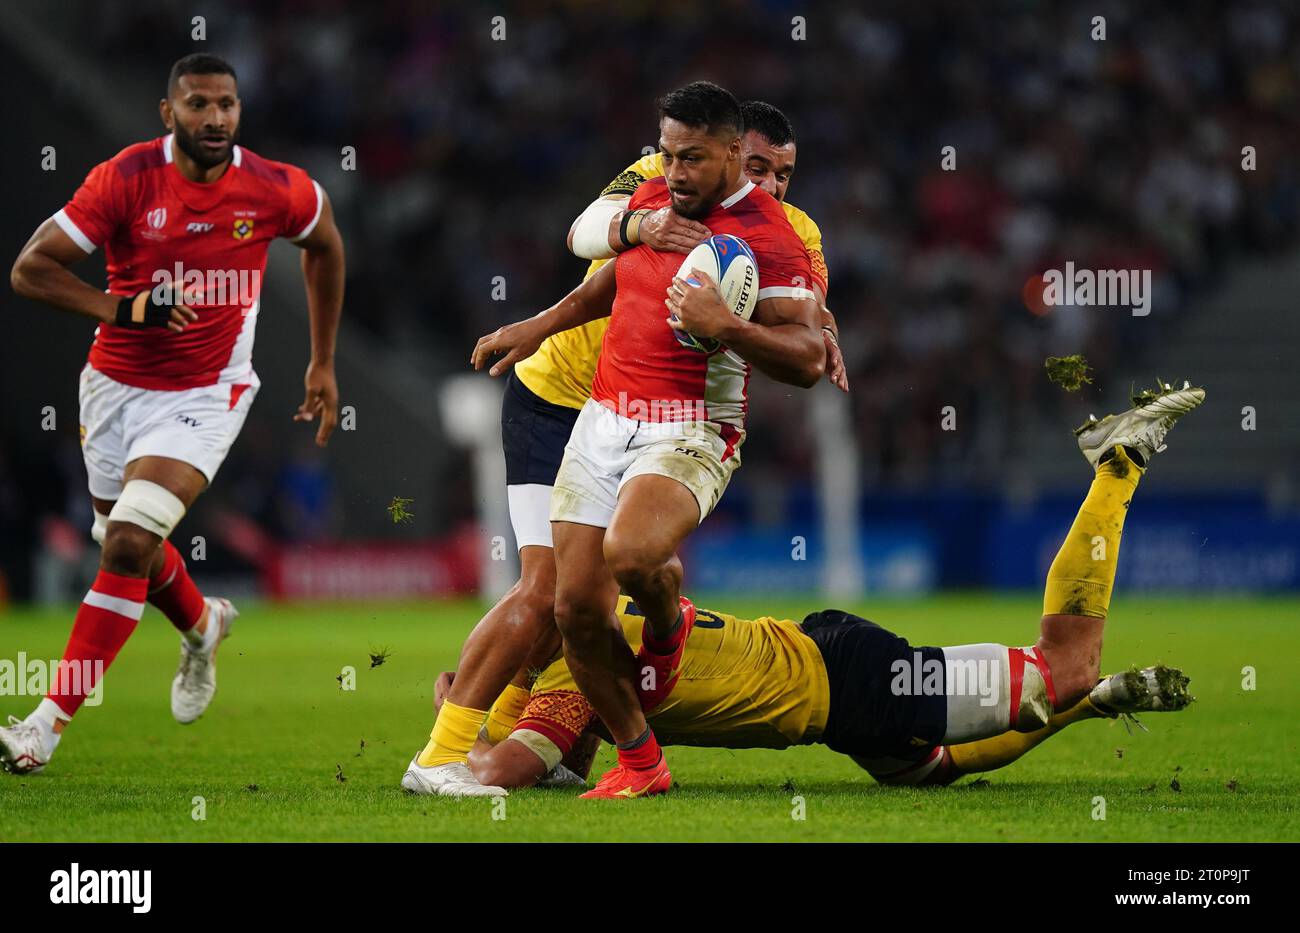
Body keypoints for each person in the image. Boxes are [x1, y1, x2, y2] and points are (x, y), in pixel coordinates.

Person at [440, 382, 1205, 792]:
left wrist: (456, 727)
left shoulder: (578, 669)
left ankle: (1117, 465)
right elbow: (558, 765)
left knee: (1061, 662)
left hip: (854, 679)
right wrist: (480, 712)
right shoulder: (583, 644)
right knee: (929, 768)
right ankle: (1092, 703)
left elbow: (511, 770)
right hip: (831, 679)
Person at [403, 98, 843, 798]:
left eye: (784, 173)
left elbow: (802, 317)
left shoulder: (787, 231)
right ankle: (468, 745)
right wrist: (546, 316)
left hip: (677, 419)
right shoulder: (658, 184)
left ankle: (563, 727)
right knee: (556, 594)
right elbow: (583, 240)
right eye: (760, 167)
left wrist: (799, 326)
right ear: (732, 152)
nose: (773, 186)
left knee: (607, 575)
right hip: (561, 401)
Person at [1, 53, 345, 775]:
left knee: (127, 539)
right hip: (114, 388)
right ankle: (202, 623)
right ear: (169, 113)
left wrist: (321, 360)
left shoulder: (275, 187)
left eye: (226, 104)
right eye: (196, 104)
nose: (213, 118)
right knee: (127, 544)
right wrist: (124, 309)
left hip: (206, 392)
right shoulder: (125, 178)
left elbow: (325, 243)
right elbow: (30, 268)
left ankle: (43, 725)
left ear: (239, 111)